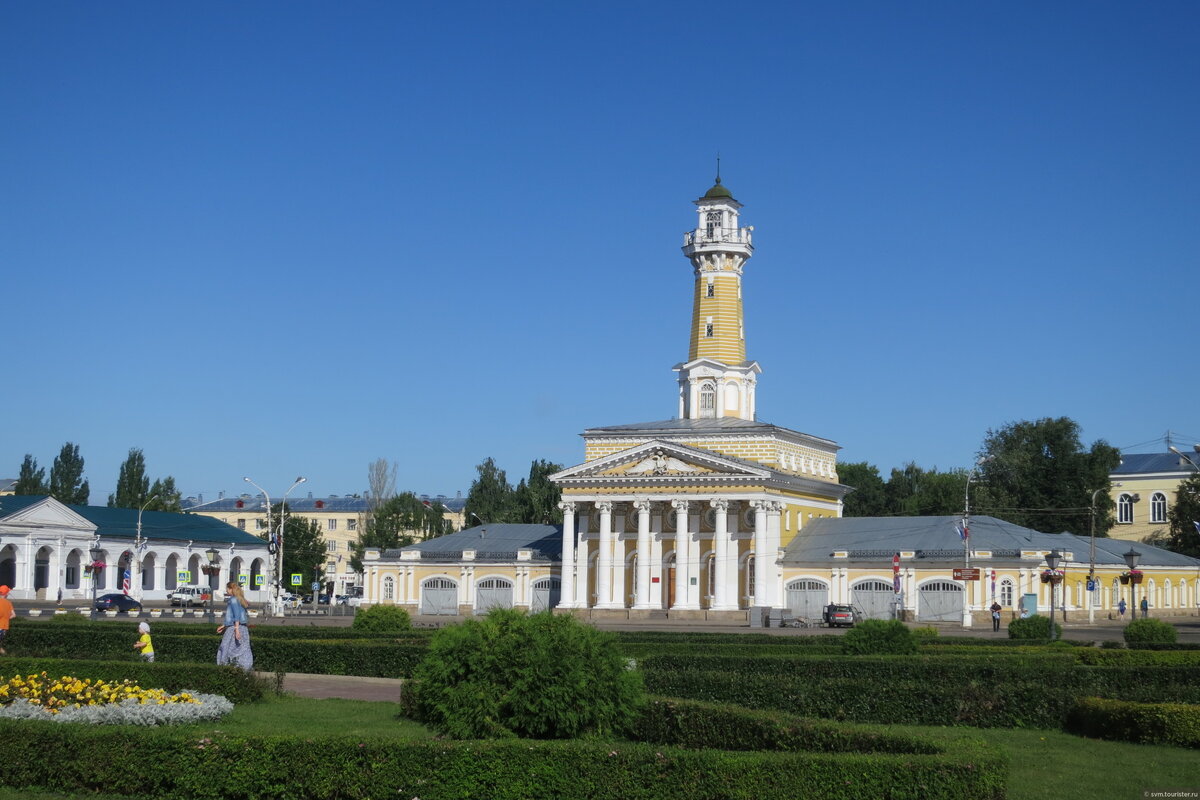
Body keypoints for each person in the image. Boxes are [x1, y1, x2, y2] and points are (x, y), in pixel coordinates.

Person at [216, 581, 253, 671]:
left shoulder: (233, 599)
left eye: (227, 589)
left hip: (234, 628)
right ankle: (245, 668)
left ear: (231, 589)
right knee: (243, 649)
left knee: (226, 648)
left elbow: (236, 616)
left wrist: (236, 629)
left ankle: (224, 668)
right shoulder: (240, 599)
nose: (227, 591)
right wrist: (224, 625)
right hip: (243, 628)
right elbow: (236, 615)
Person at [0, 586, 14, 655]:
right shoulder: (9, 603)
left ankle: (6, 656)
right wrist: (6, 618)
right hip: (4, 627)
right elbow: (13, 615)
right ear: (6, 594)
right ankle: (6, 656)